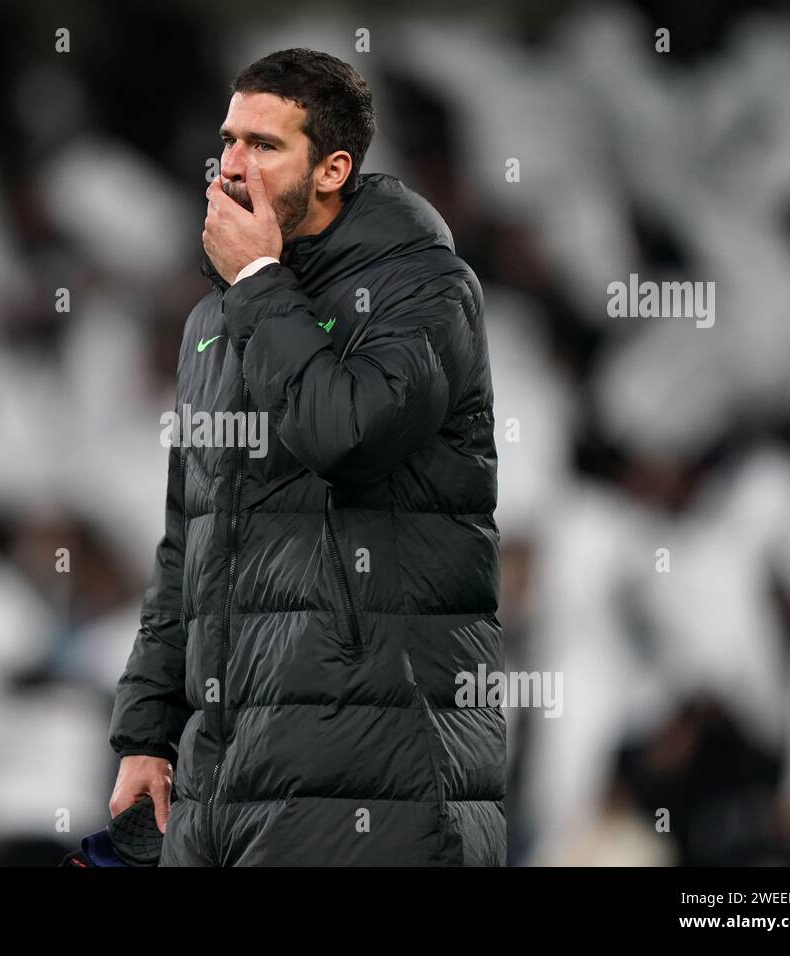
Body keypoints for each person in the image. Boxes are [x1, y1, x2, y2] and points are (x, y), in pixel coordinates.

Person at [108, 47, 503, 865]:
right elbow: (189, 538)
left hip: (379, 774)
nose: (231, 164)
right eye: (228, 139)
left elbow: (346, 438)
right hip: (227, 778)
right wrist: (147, 733)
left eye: (263, 144)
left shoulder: (425, 291)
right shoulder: (213, 323)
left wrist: (256, 278)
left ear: (332, 170)